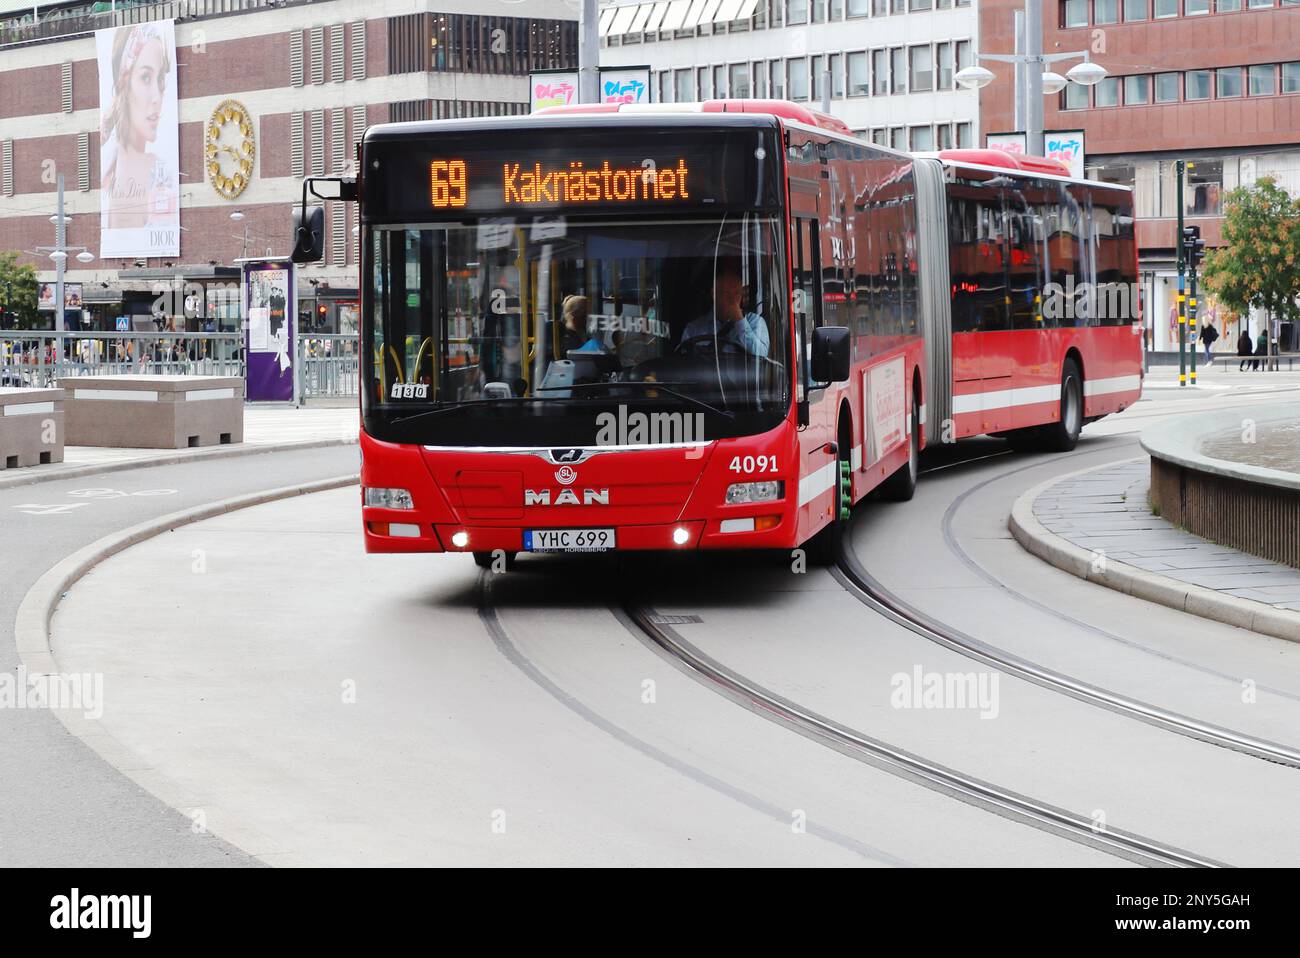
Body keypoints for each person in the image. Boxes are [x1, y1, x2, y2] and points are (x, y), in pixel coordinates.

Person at [101, 24, 177, 231]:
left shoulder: (165, 179)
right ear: (123, 85)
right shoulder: (104, 177)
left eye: (160, 79)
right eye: (145, 77)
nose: (157, 97)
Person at [679, 264, 770, 357]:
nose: (732, 299)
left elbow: (761, 355)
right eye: (726, 293)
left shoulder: (755, 322)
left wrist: (739, 321)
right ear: (714, 294)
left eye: (737, 293)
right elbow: (684, 363)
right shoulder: (693, 329)